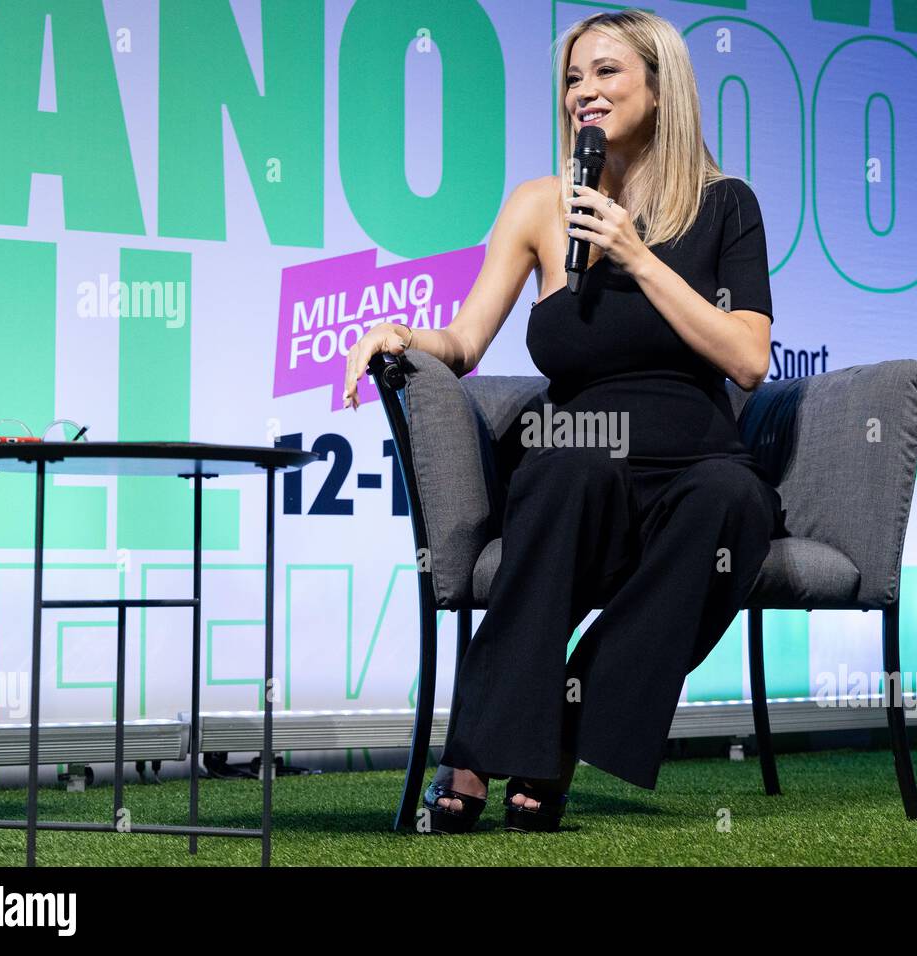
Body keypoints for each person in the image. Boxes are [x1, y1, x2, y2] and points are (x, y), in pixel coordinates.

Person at [342, 8, 784, 833]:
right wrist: (406, 334)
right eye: (575, 77)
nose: (584, 91)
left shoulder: (725, 205)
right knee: (560, 467)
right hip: (583, 444)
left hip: (693, 455)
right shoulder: (542, 204)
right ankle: (476, 753)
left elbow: (750, 360)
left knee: (735, 502)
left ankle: (563, 732)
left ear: (661, 86)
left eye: (607, 72)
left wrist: (638, 257)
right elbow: (467, 340)